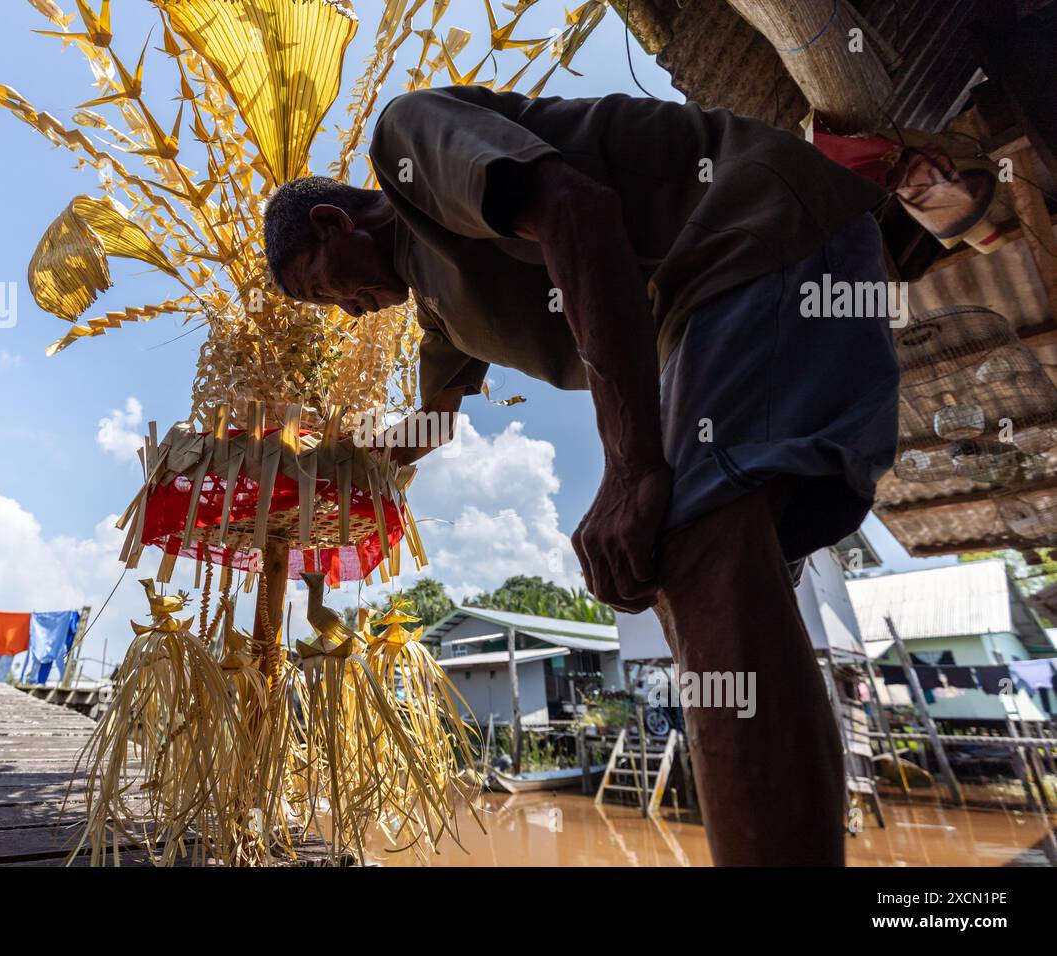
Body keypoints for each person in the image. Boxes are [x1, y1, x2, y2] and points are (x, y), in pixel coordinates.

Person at [262, 85, 898, 866]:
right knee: (698, 582)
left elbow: (575, 210)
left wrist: (632, 468)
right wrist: (324, 480)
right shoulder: (437, 303)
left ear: (334, 222)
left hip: (750, 231)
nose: (348, 313)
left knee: (697, 552)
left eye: (324, 288)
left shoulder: (407, 141)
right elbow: (436, 420)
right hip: (714, 312)